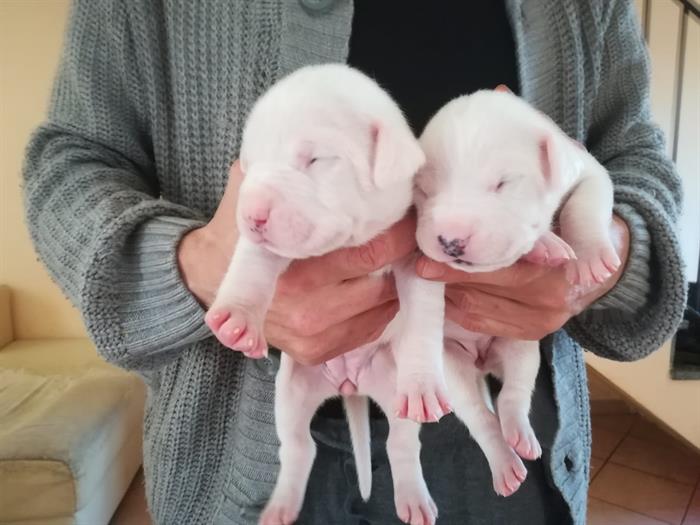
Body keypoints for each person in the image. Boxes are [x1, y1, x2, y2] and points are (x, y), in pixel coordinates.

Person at [23, 1, 685, 524]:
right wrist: (201, 265)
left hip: (490, 453)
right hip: (231, 443)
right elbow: (70, 166)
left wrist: (603, 251)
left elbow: (630, 158)